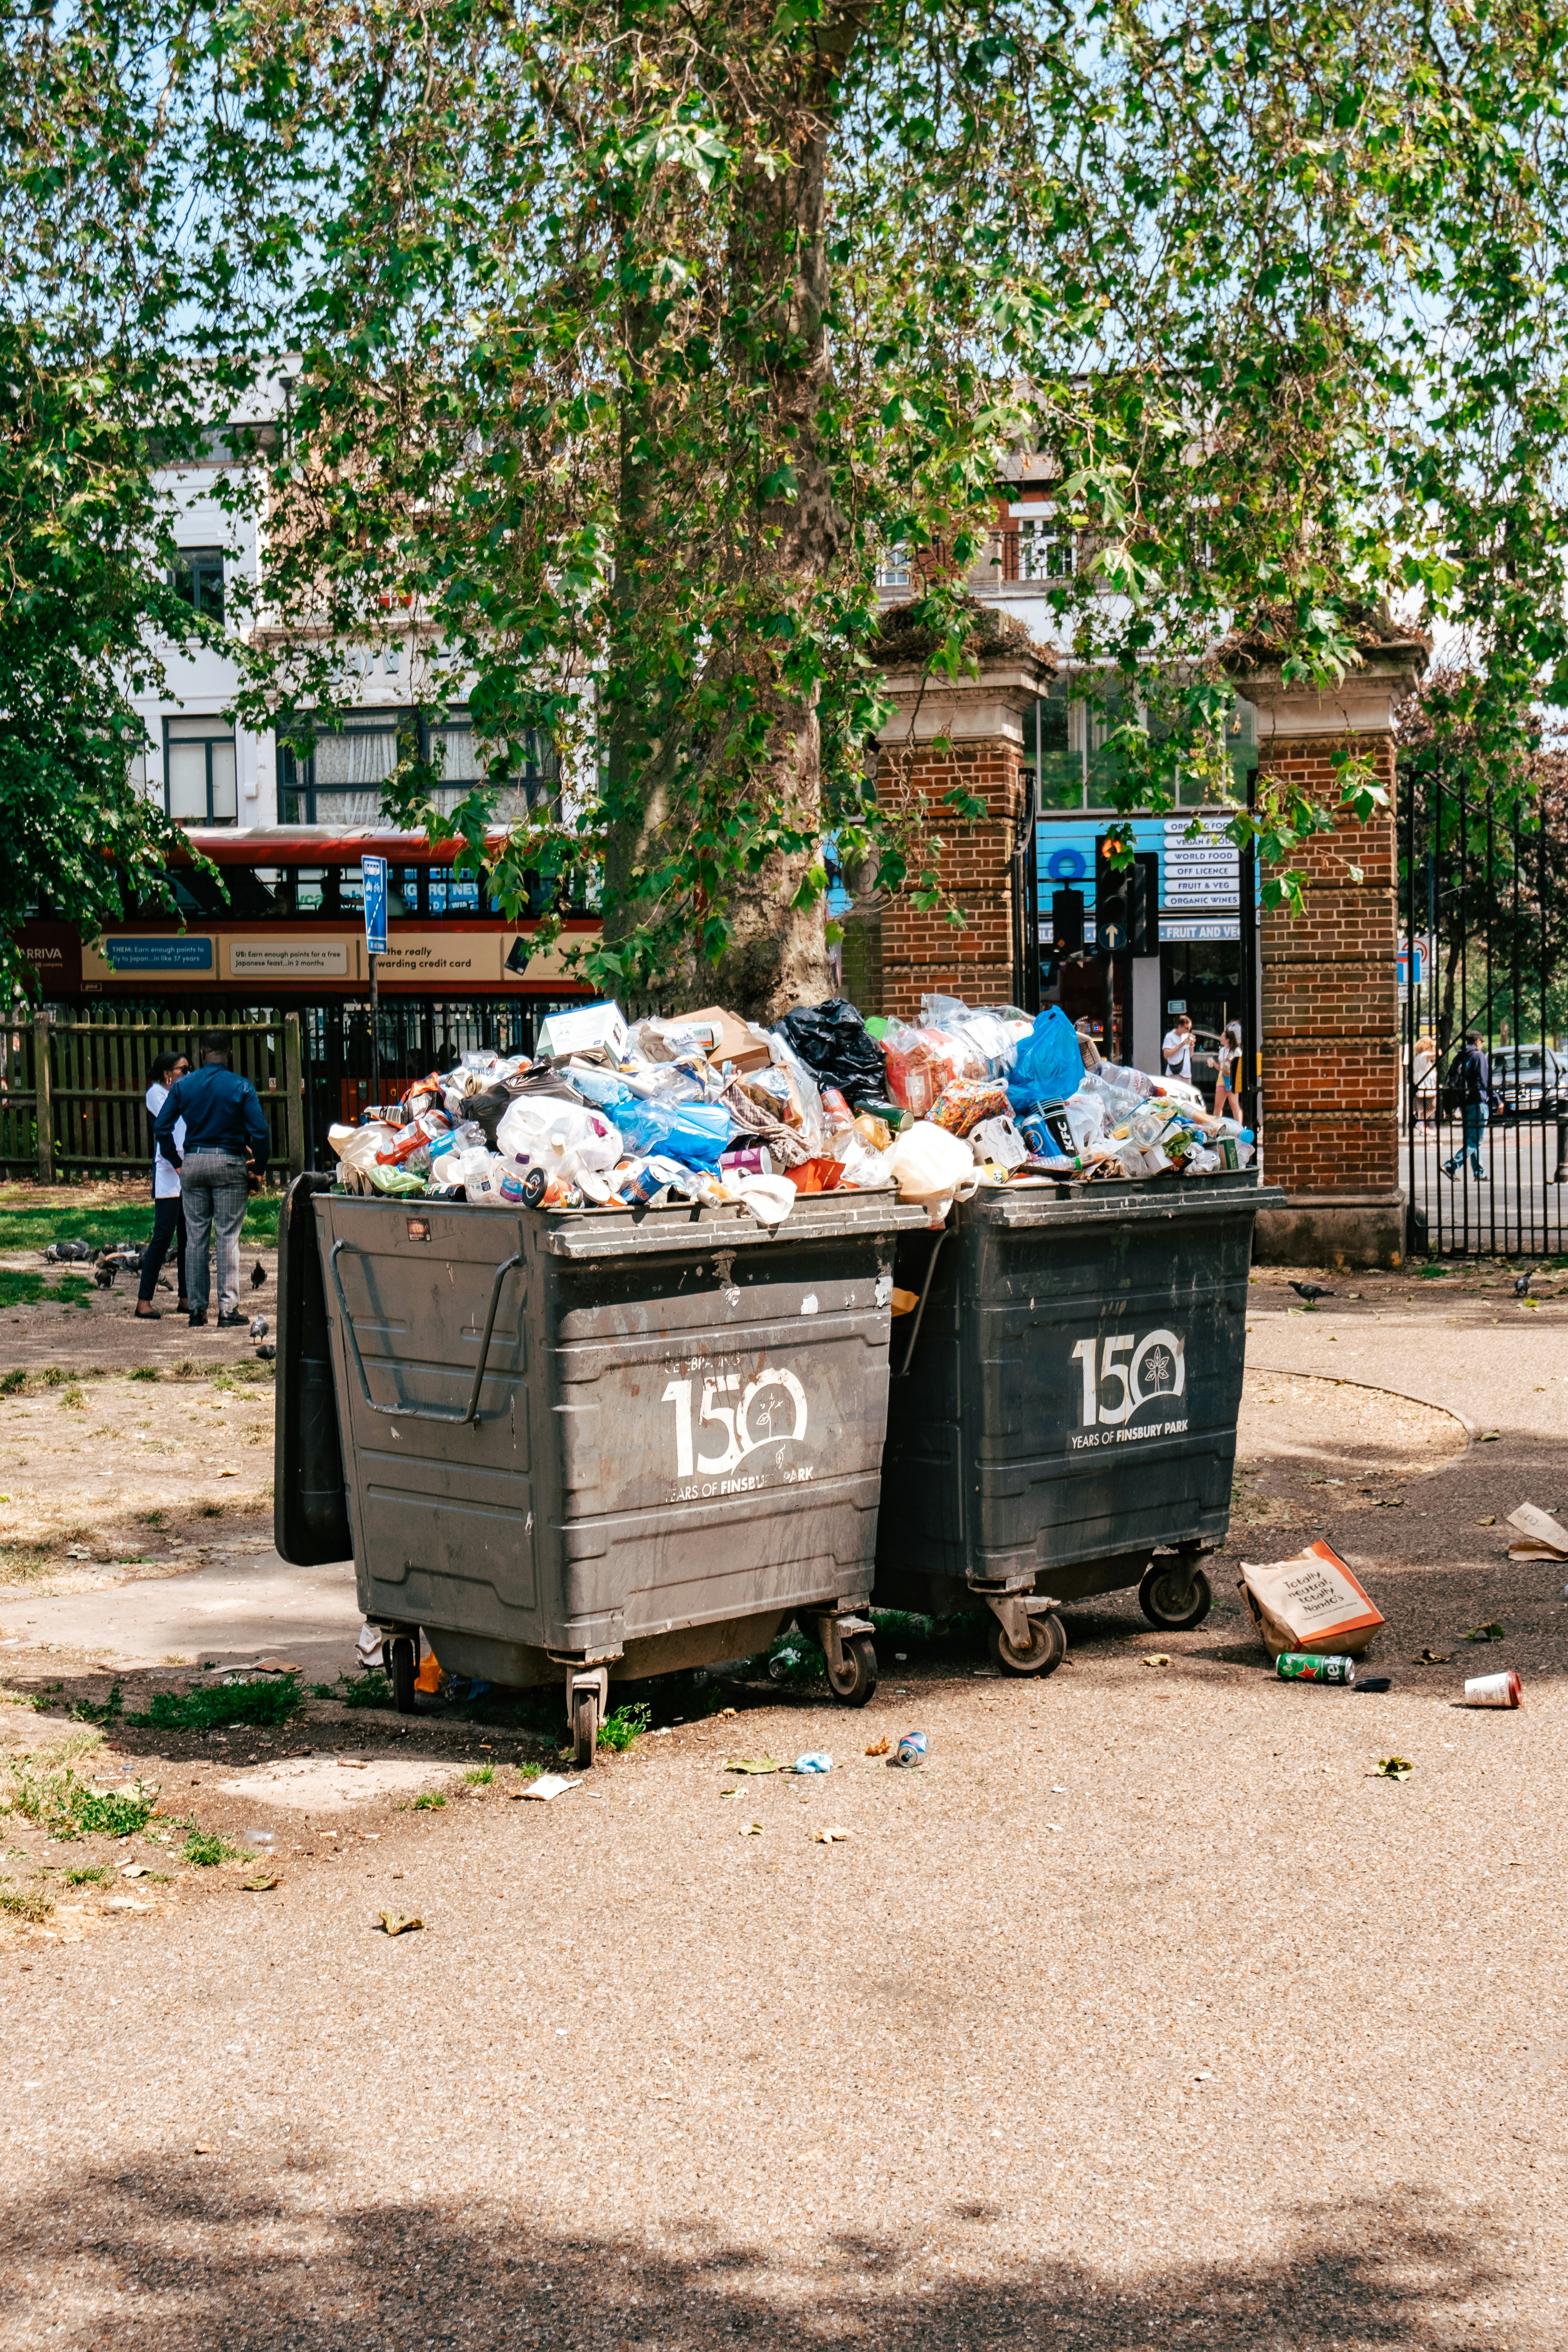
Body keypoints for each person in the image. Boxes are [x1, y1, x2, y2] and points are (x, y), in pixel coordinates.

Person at [154, 1031, 270, 1327]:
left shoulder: (183, 1086)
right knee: (228, 1237)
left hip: (193, 1161)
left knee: (195, 1239)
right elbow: (260, 1132)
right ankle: (228, 1310)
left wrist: (178, 1161)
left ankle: (196, 1310)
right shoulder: (241, 1086)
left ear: (202, 1053)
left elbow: (162, 1127)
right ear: (229, 1054)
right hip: (229, 1162)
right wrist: (258, 1170)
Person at [135, 1050, 190, 1320]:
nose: (188, 1074)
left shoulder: (184, 1092)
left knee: (188, 1237)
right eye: (183, 1070)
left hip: (188, 1168)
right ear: (168, 1074)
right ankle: (144, 1300)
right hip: (169, 1172)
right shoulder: (156, 1094)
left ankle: (186, 1297)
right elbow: (169, 1124)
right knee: (163, 1237)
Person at [1442, 1030, 1499, 1182]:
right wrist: (1497, 1101)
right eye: (1482, 1042)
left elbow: (1450, 1083)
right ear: (1477, 1042)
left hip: (1464, 1104)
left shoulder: (1459, 1057)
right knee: (1475, 1141)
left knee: (1472, 1139)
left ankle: (1479, 1173)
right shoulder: (1478, 1056)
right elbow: (1485, 1082)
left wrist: (1448, 1109)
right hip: (1478, 1103)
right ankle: (1451, 1166)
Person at [1214, 1021, 1243, 1120]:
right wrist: (1214, 1064)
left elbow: (1240, 1067)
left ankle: (1239, 1128)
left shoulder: (1237, 1051)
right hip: (1222, 1077)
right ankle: (1216, 1128)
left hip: (1232, 1079)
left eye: (1222, 1037)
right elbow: (1221, 1067)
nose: (1220, 1038)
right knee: (1218, 1106)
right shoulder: (1221, 1051)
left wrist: (1232, 1062)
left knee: (1235, 1106)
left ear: (1228, 1039)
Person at [1411, 1033, 1437, 1137]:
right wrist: (1435, 1044)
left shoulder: (1418, 1057)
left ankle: (1422, 1127)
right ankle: (1420, 1123)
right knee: (1433, 1107)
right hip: (1427, 1087)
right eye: (1430, 1046)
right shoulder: (1425, 1055)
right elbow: (1438, 1055)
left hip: (1421, 1086)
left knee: (1425, 1109)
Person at [1162, 1012, 1194, 1084]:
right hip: (1174, 1074)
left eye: (1190, 1028)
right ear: (1180, 1027)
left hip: (1187, 1073)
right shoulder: (1170, 1037)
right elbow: (1166, 1055)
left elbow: (1190, 1056)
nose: (1189, 1030)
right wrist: (1181, 1045)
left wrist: (1192, 1045)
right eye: (1187, 1028)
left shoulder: (1187, 1036)